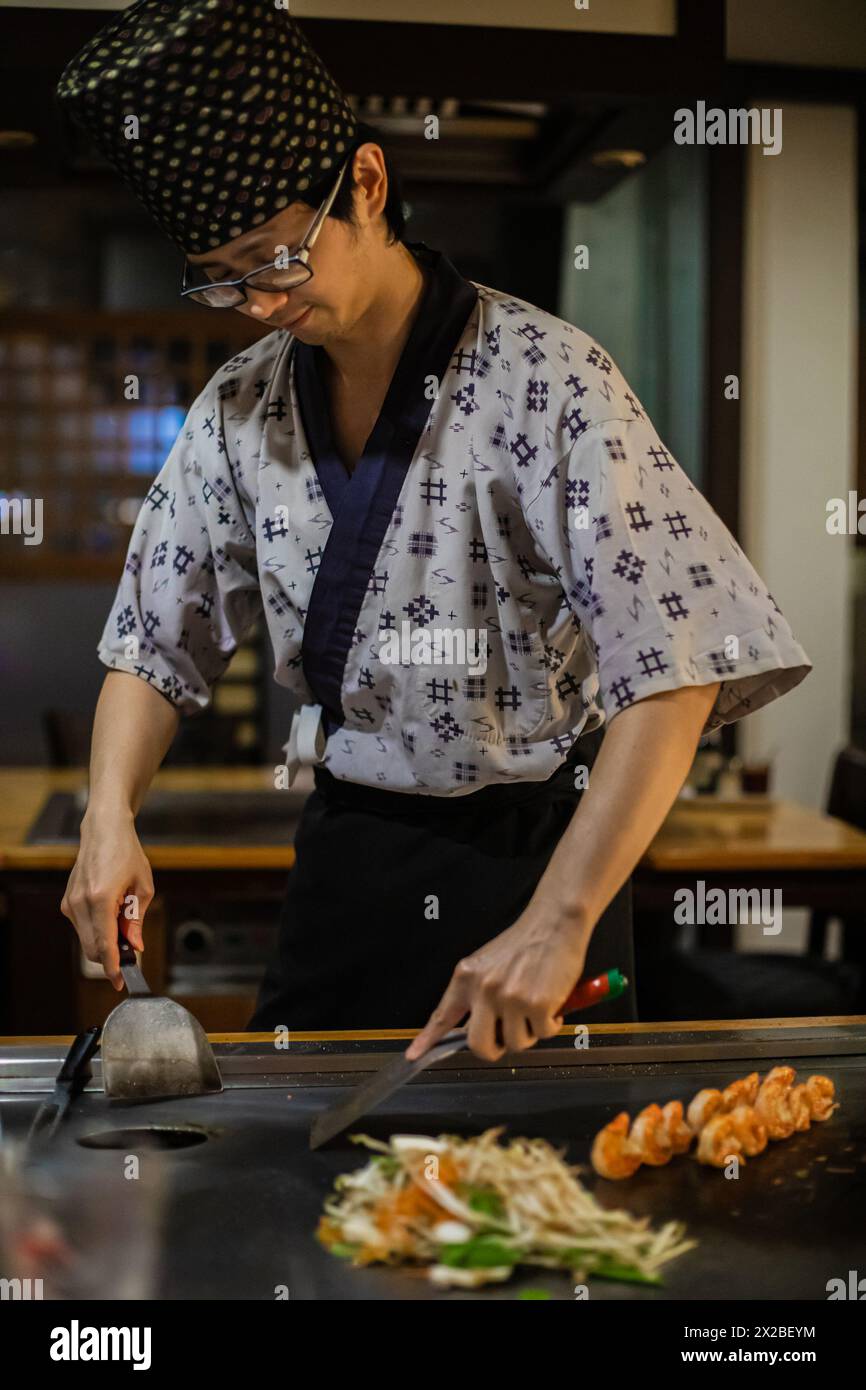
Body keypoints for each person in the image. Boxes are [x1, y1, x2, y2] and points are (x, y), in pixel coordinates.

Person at [56, 0, 811, 1062]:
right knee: (299, 1192)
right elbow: (152, 641)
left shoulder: (550, 380)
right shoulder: (239, 404)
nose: (258, 303)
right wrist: (106, 817)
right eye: (221, 276)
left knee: (550, 1210)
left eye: (274, 259)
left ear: (364, 184)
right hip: (345, 861)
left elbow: (676, 667)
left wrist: (558, 923)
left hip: (540, 862)